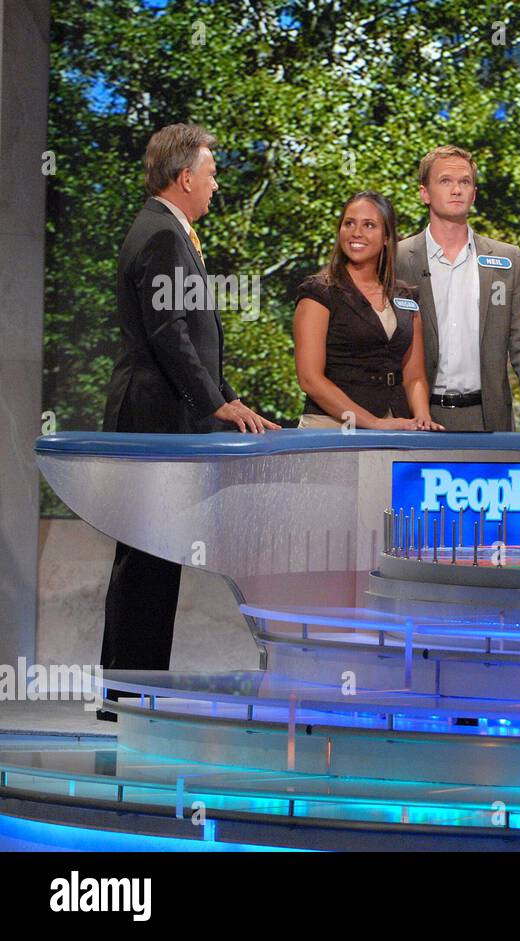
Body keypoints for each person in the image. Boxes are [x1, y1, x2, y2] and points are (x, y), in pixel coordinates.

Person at [99, 123, 280, 719]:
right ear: (184, 178)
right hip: (152, 420)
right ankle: (125, 694)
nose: (214, 184)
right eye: (210, 172)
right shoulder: (161, 236)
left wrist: (231, 400)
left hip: (165, 415)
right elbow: (167, 332)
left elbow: (191, 338)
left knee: (156, 558)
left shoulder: (171, 232)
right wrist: (212, 404)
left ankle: (135, 689)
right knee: (145, 560)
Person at [394, 146, 520, 433]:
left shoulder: (506, 260)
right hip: (415, 420)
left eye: (465, 182)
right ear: (424, 193)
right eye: (445, 181)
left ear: (473, 194)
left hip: (488, 420)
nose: (456, 190)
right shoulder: (398, 259)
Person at [293, 191, 439, 431]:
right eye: (349, 223)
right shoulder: (319, 293)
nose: (356, 233)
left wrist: (422, 417)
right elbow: (310, 380)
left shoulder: (406, 297)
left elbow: (413, 376)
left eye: (369, 225)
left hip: (395, 425)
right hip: (332, 428)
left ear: (386, 237)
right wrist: (373, 423)